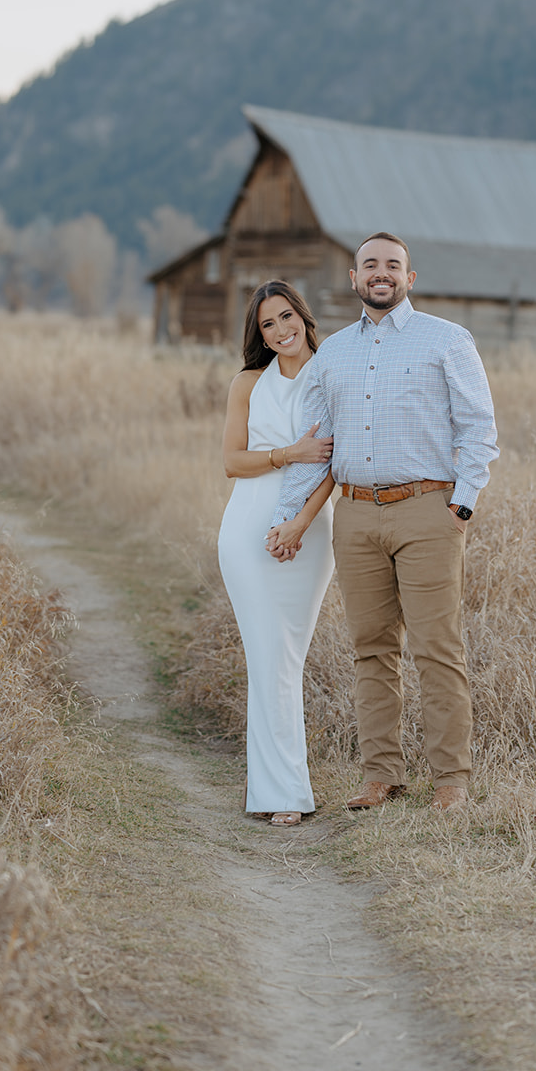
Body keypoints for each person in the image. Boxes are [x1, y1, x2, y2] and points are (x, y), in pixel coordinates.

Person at [267, 233, 498, 813]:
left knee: (437, 647)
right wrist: (290, 519)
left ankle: (451, 782)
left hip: (428, 510)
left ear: (409, 279)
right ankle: (381, 776)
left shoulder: (446, 340)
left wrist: (461, 505)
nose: (381, 274)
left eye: (393, 265)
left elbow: (478, 427)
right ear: (353, 278)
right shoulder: (334, 354)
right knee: (370, 649)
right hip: (356, 515)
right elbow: (318, 444)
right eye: (370, 264)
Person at [218, 281, 335, 827]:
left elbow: (337, 461)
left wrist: (300, 524)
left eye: (287, 316)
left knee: (286, 655)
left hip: (310, 528)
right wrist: (289, 453)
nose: (281, 330)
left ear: (303, 317)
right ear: (259, 334)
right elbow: (233, 463)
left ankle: (279, 787)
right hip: (246, 527)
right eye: (268, 324)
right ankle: (282, 791)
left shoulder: (333, 370)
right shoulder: (248, 382)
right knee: (267, 655)